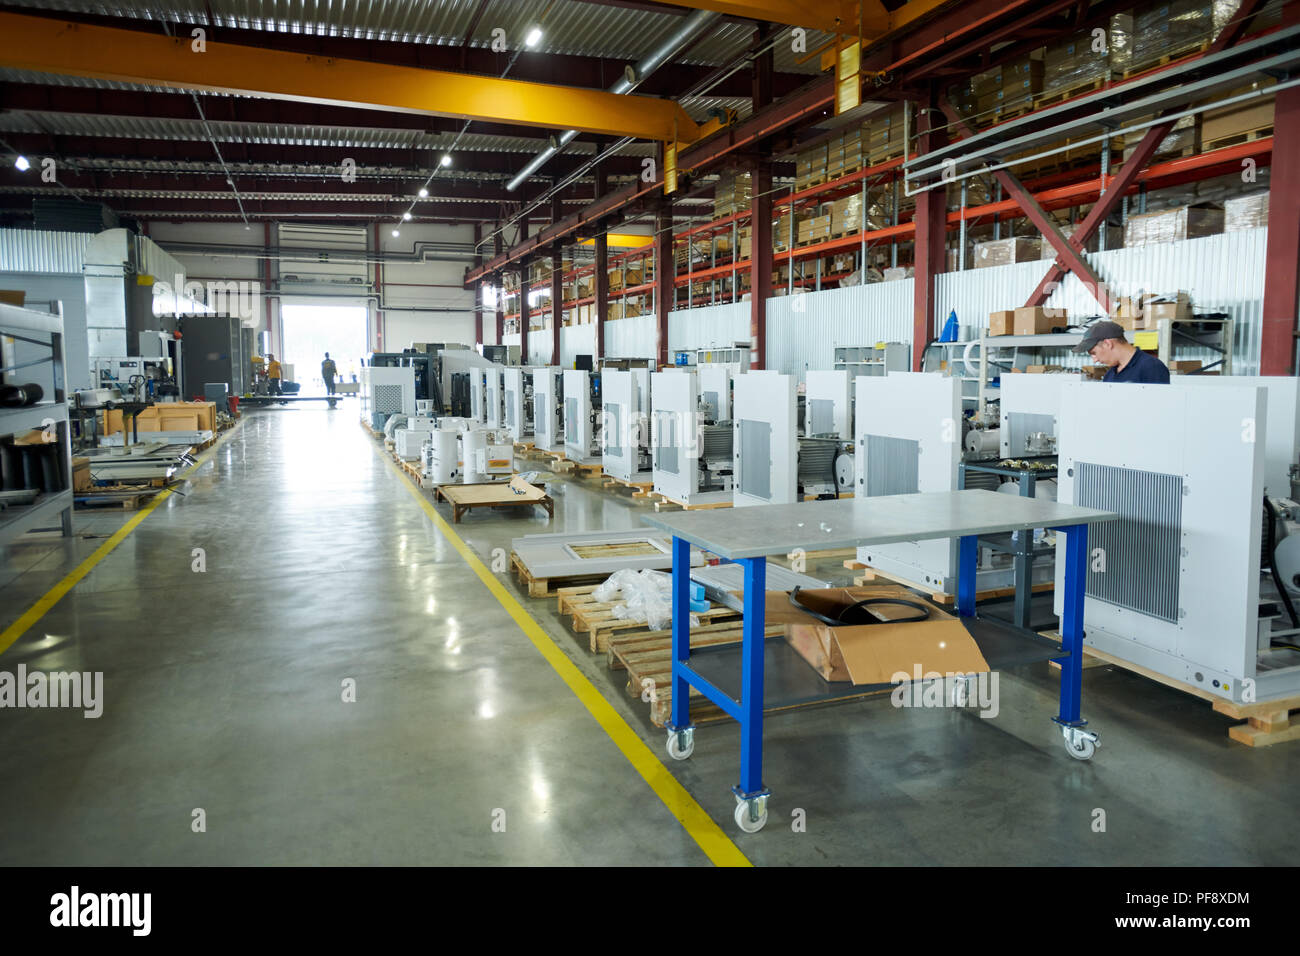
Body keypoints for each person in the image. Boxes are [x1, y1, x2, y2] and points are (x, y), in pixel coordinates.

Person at [1073, 320, 1169, 383]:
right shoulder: (1110, 375)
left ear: (1107, 344)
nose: (1095, 360)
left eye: (1094, 353)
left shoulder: (1152, 368)